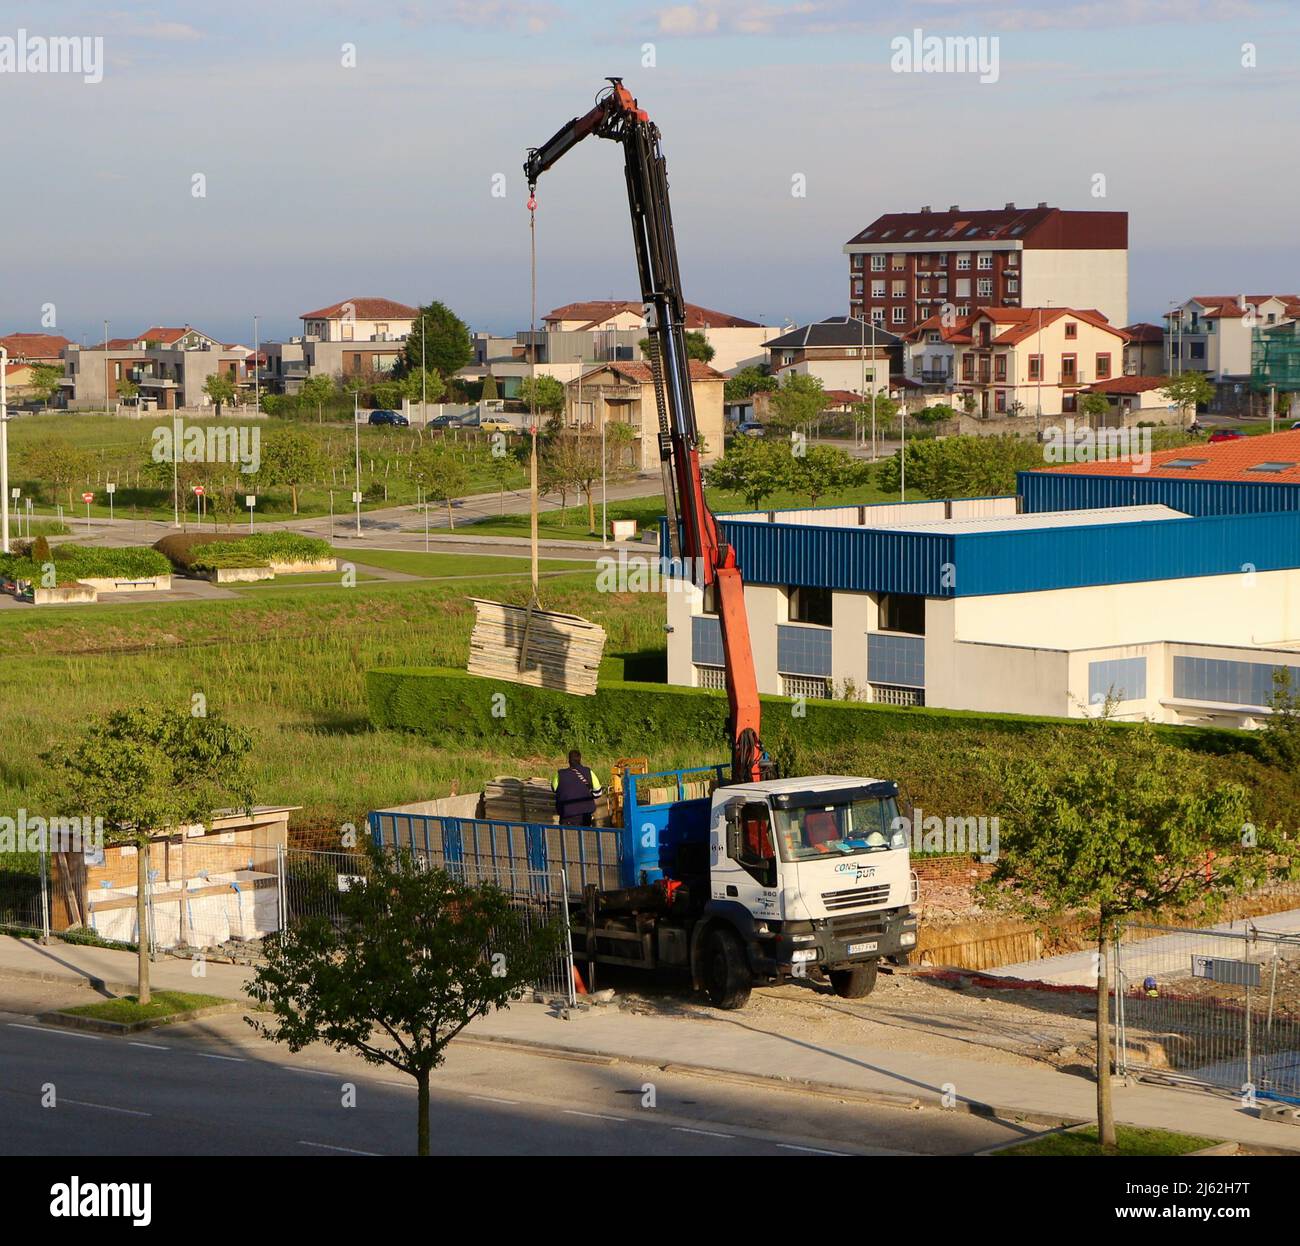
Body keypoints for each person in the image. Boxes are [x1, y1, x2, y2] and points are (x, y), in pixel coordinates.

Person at [552, 749, 603, 826]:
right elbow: (598, 793)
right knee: (583, 837)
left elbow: (554, 789)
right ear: (580, 759)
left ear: (568, 760)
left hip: (566, 815)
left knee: (566, 837)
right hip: (585, 815)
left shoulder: (559, 774)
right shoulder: (588, 772)